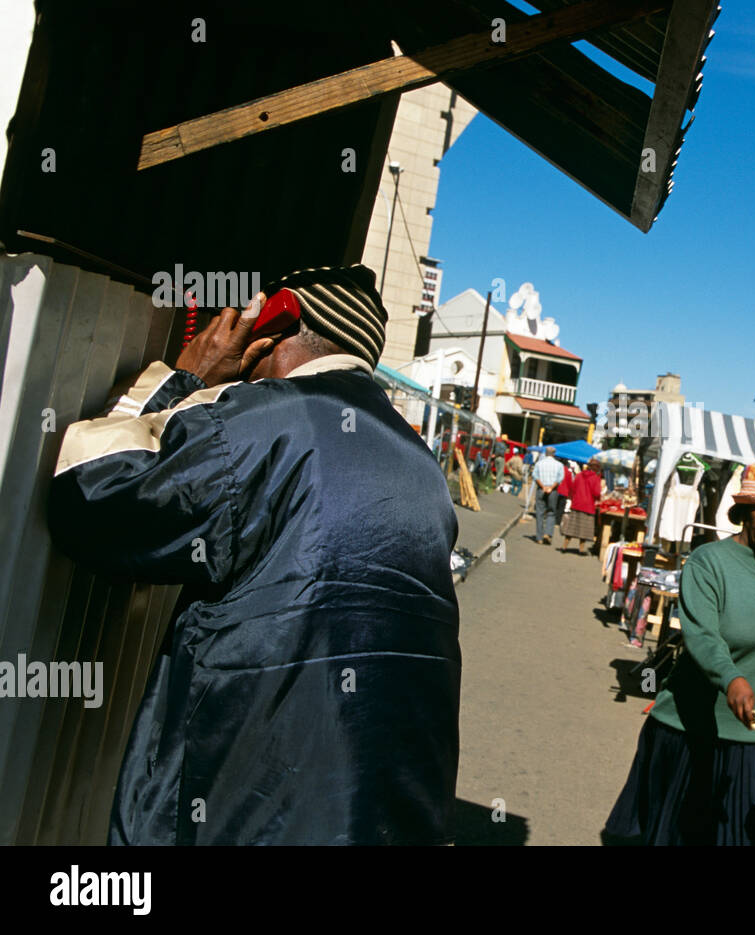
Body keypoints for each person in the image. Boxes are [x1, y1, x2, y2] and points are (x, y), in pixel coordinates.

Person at [46, 264, 461, 844]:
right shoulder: (421, 464)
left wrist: (185, 379)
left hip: (248, 811)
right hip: (386, 810)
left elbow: (89, 500)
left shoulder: (268, 420)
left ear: (275, 322)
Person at [605, 462, 755, 845]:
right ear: (744, 511)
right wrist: (730, 678)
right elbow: (702, 635)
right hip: (691, 729)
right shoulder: (708, 562)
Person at [557, 456, 603, 554]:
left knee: (571, 527)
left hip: (576, 504)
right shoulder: (595, 478)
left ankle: (564, 546)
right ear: (597, 468)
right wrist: (599, 497)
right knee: (584, 529)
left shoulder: (579, 475)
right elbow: (596, 493)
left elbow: (573, 489)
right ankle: (581, 549)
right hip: (588, 506)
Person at [532, 446, 564, 544]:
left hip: (541, 490)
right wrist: (550, 487)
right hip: (553, 491)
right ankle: (548, 533)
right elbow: (559, 479)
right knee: (551, 512)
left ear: (546, 453)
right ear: (554, 454)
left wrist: (543, 486)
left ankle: (539, 537)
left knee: (540, 512)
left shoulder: (539, 464)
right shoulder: (559, 465)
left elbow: (535, 476)